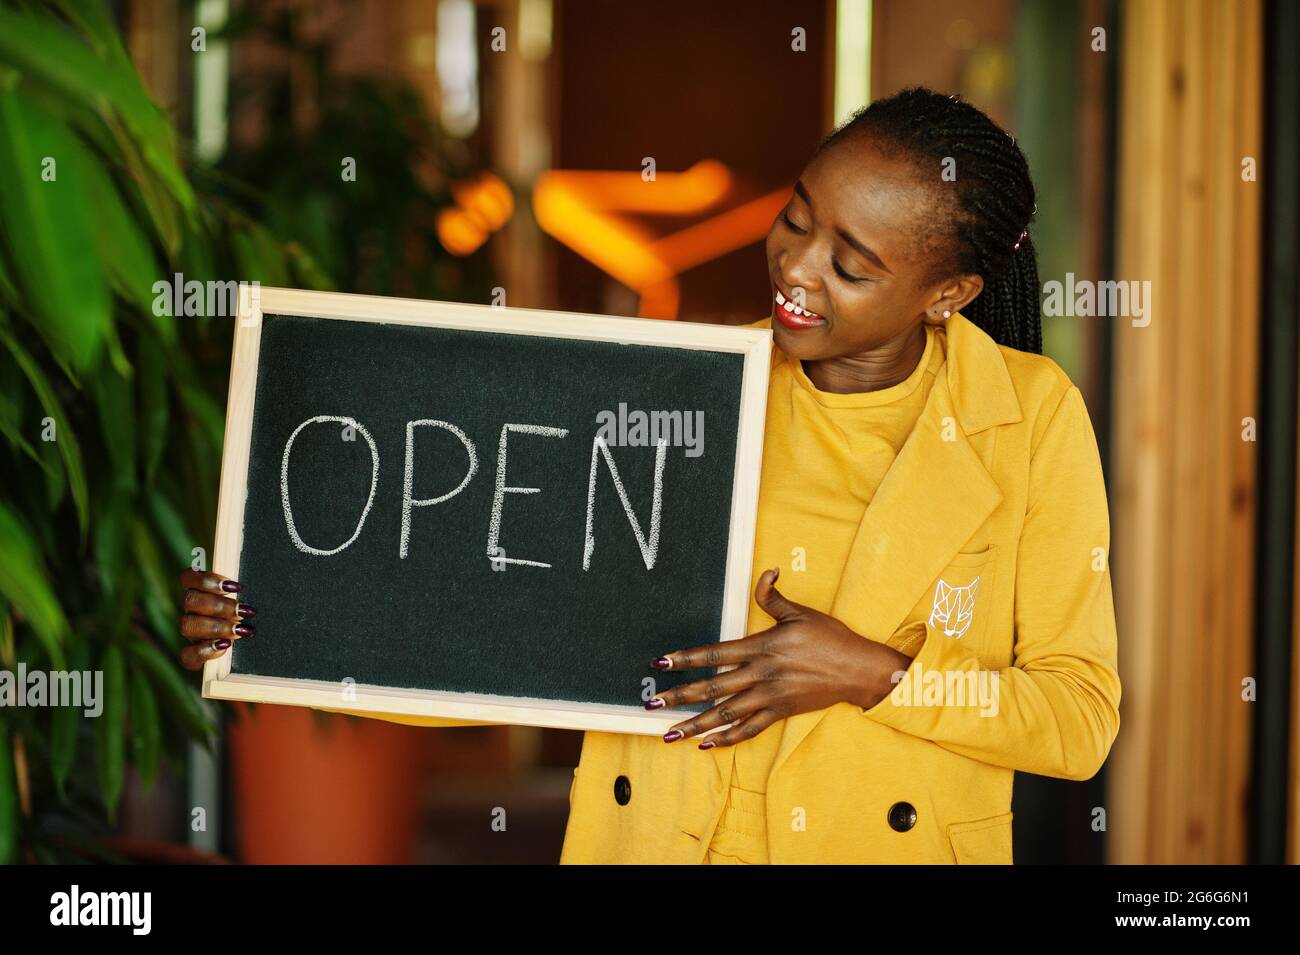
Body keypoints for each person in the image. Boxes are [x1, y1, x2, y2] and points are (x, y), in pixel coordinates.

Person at [179, 87, 1121, 865]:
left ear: (947, 294)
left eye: (851, 263)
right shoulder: (682, 394)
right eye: (796, 218)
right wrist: (281, 615)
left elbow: (1076, 719)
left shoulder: (1029, 419)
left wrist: (869, 673)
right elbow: (511, 639)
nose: (796, 265)